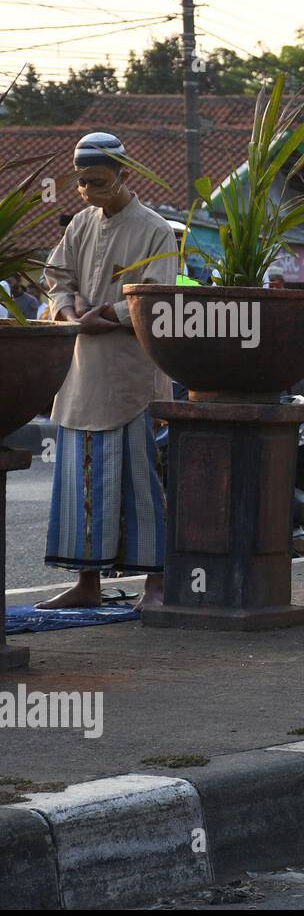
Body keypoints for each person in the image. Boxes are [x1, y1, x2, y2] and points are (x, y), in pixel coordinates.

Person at [38, 132, 177, 610]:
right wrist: (67, 312)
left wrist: (109, 316)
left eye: (98, 181)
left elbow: (157, 294)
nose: (89, 191)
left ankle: (157, 585)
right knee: (80, 484)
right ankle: (87, 583)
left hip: (130, 375)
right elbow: (58, 278)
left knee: (140, 482)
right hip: (81, 375)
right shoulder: (79, 224)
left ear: (124, 174)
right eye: (81, 183)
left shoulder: (156, 228)